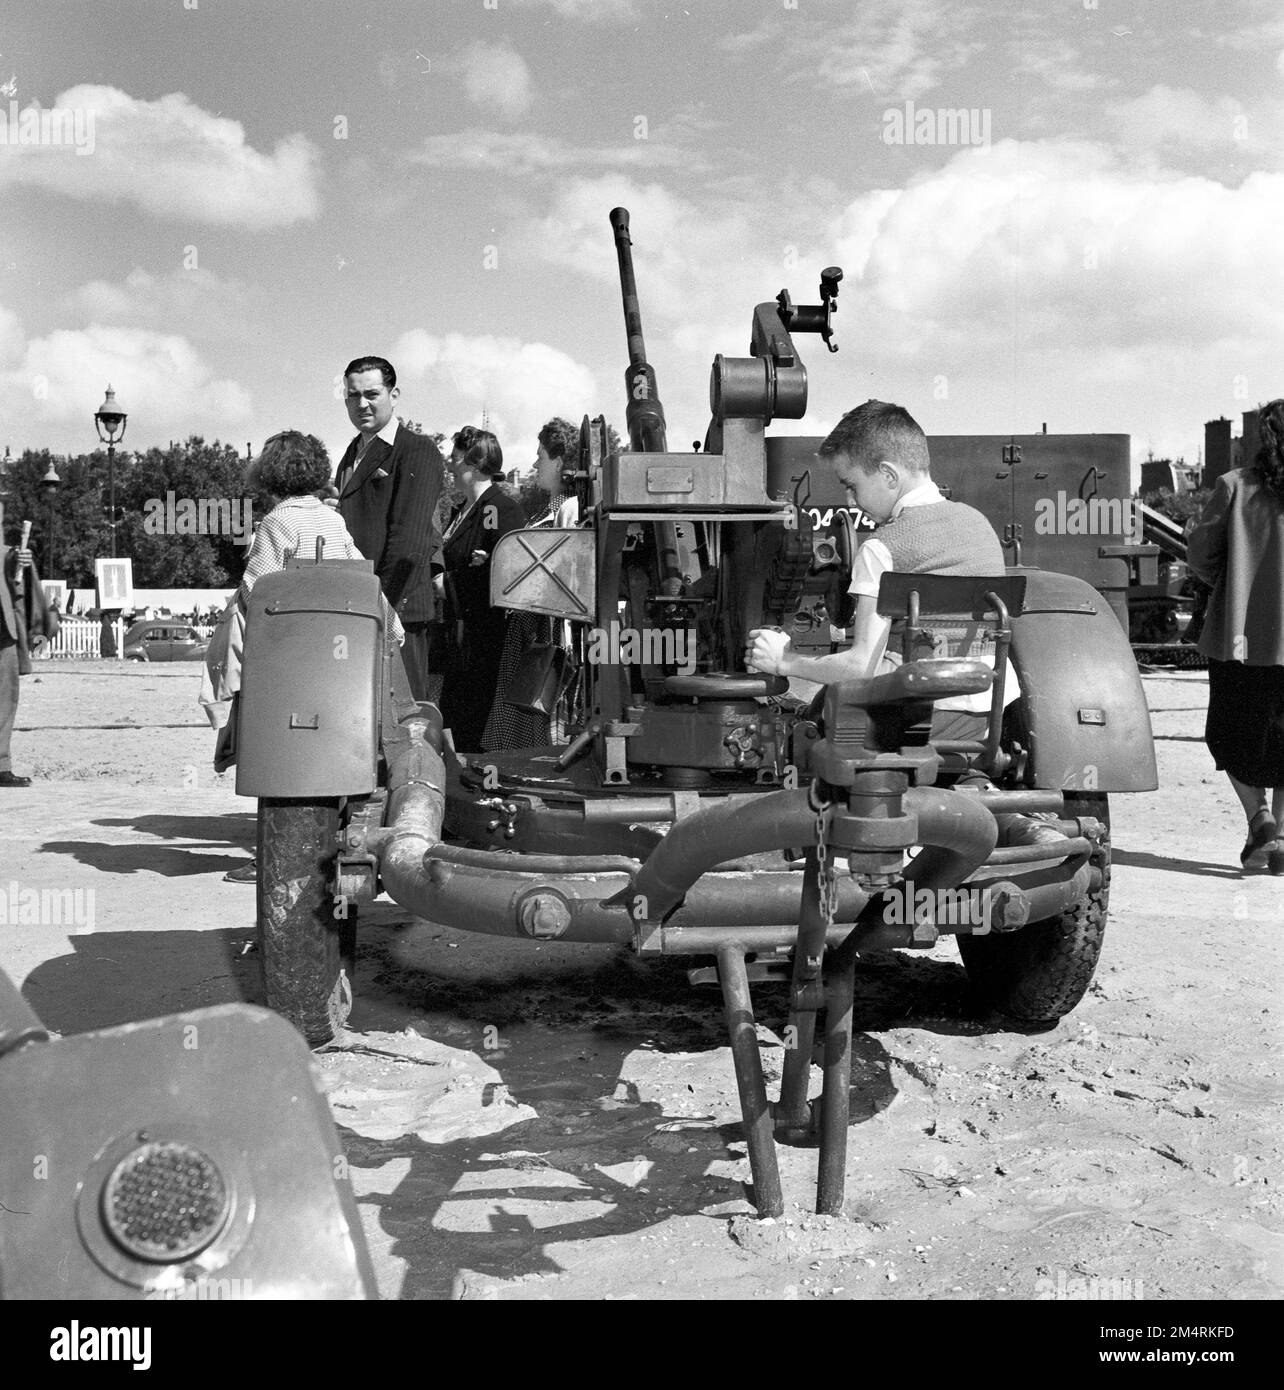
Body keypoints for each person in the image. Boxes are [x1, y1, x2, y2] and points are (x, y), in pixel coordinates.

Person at [746, 399, 1052, 846]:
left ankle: (821, 837)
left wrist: (785, 661)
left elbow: (859, 668)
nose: (849, 500)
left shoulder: (882, 547)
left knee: (817, 714)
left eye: (852, 485)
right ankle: (972, 798)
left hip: (908, 727)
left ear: (889, 475)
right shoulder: (979, 525)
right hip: (983, 721)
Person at [202, 431, 403, 883]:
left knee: (281, 754)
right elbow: (361, 579)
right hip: (339, 652)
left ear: (270, 473)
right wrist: (392, 629)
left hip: (291, 653)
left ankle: (275, 857)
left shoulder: (276, 522)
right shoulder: (334, 521)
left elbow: (259, 589)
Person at [1187, 397, 1284, 873]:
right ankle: (1281, 836)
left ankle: (1260, 819)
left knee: (1231, 733)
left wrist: (1232, 585)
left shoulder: (1234, 486)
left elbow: (1201, 555)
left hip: (1239, 636)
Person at [336, 356, 446, 701]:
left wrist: (378, 609)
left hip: (398, 612)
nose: (362, 404)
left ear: (394, 394)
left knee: (406, 725)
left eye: (372, 394)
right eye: (353, 396)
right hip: (361, 608)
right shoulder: (352, 451)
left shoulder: (417, 450)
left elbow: (409, 543)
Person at [482, 417, 581, 750]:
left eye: (541, 454)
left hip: (546, 628)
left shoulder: (569, 508)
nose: (536, 462)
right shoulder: (553, 506)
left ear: (560, 460)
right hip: (535, 627)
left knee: (539, 711)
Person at [437, 430, 527, 751]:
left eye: (455, 457)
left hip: (481, 641)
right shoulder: (462, 511)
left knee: (466, 727)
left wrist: (449, 583)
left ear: (474, 464)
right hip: (455, 638)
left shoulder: (500, 508)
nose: (449, 463)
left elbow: (506, 572)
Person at [0, 529, 60, 787]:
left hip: (4, 631)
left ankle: (1, 765)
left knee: (6, 699)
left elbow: (9, 564)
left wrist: (18, 558)